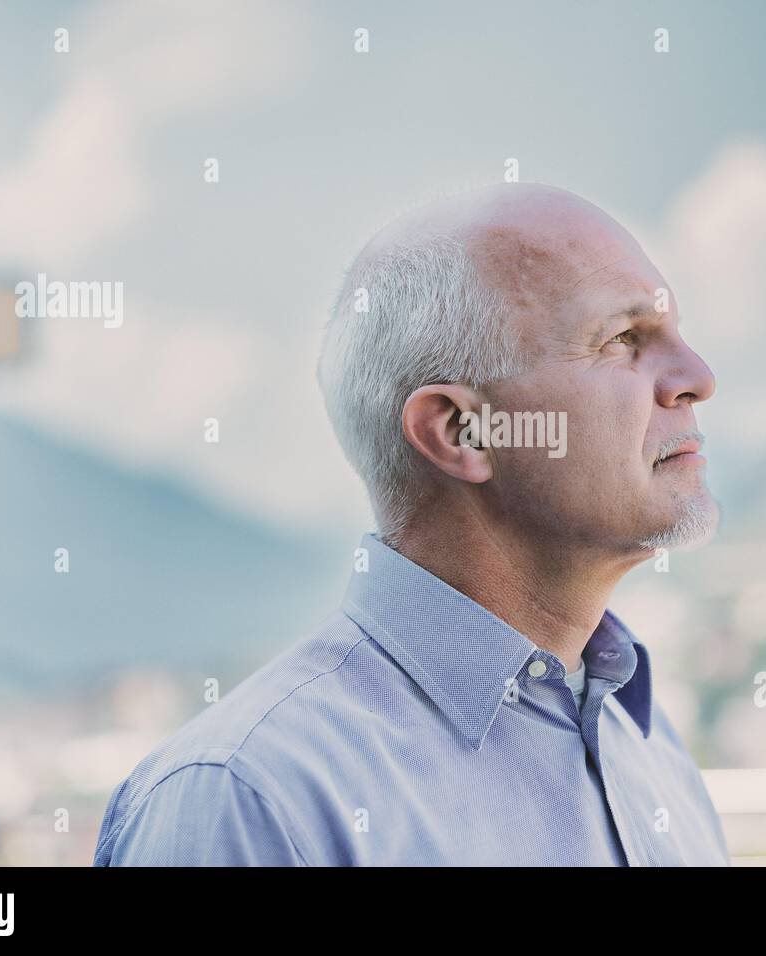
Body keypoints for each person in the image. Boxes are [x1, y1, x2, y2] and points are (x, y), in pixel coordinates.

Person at [93, 182, 729, 865]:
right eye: (623, 339)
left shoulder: (645, 743)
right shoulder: (247, 801)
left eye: (674, 333)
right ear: (461, 431)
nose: (697, 375)